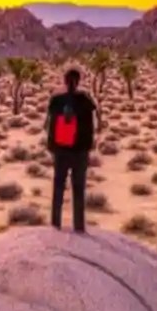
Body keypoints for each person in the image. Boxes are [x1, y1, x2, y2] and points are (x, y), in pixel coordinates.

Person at [45, 68, 98, 232]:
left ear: (65, 80)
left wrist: (52, 146)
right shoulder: (85, 99)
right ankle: (79, 226)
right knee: (78, 188)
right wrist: (89, 146)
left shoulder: (56, 100)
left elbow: (50, 125)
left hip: (61, 150)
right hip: (80, 151)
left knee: (58, 187)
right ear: (79, 80)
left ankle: (55, 224)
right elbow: (90, 125)